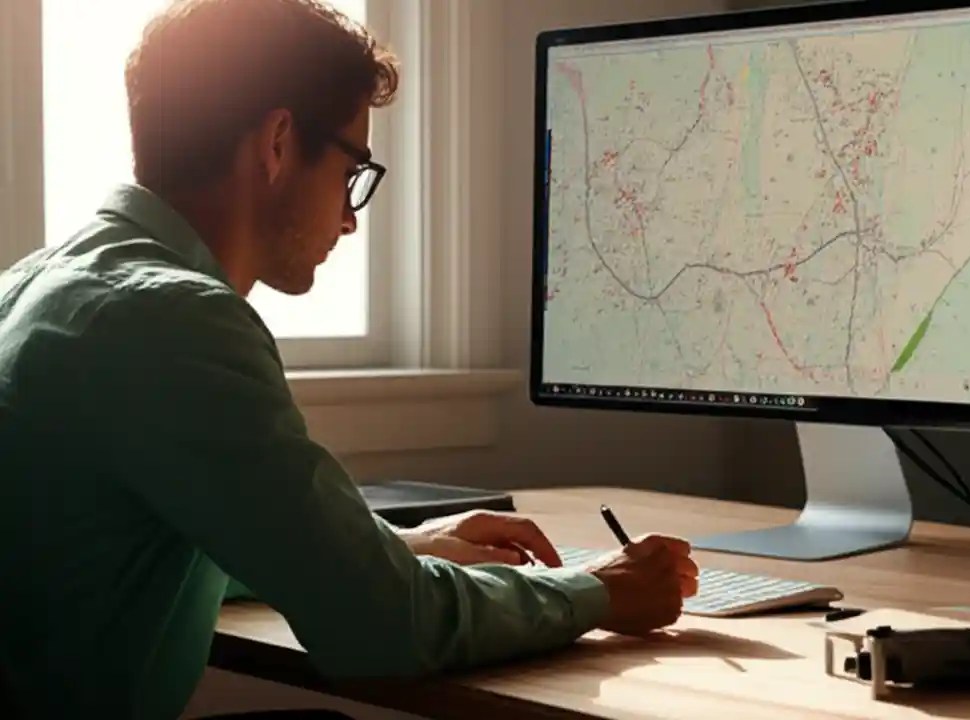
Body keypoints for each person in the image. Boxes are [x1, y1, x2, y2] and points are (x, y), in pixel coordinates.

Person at [0, 1, 698, 719]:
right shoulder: (175, 322)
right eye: (353, 169)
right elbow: (386, 627)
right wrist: (602, 590)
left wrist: (399, 545)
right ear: (277, 142)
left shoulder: (37, 285)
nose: (349, 216)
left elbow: (183, 526)